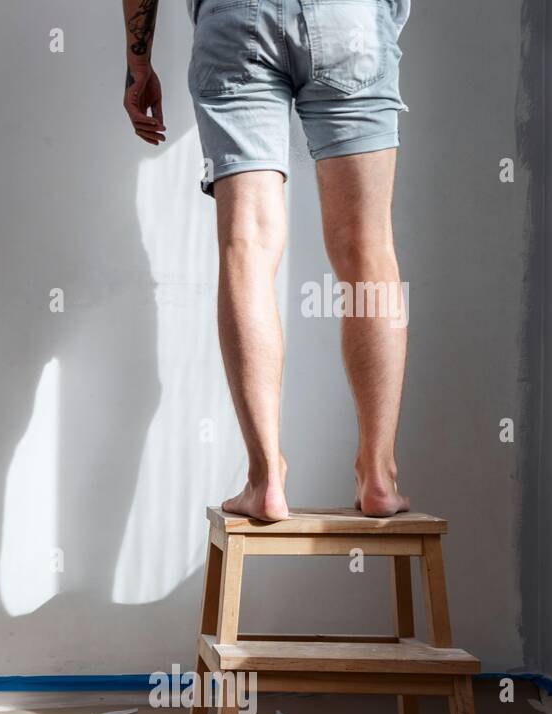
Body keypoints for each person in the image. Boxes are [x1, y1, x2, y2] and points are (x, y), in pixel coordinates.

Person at [122, 0, 412, 519]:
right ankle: (378, 472)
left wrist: (137, 63)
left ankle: (265, 479)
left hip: (237, 21)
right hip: (350, 19)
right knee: (368, 247)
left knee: (247, 245)